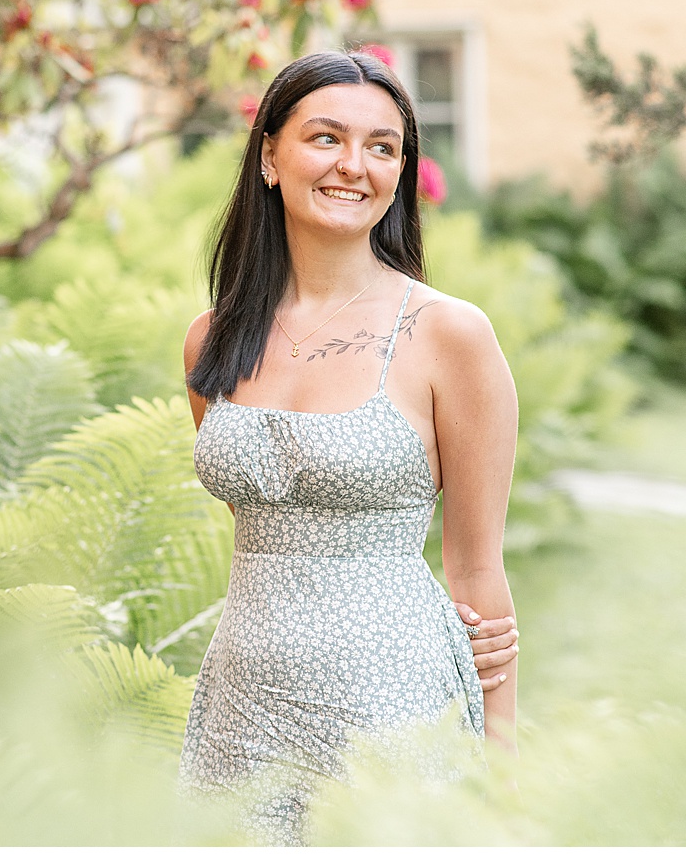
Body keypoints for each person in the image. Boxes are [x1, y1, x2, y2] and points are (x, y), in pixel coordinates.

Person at [177, 49, 520, 843]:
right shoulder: (212, 342)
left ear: (401, 171)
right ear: (270, 155)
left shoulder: (448, 335)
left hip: (391, 707)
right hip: (240, 713)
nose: (354, 166)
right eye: (325, 137)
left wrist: (502, 767)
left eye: (382, 147)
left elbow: (477, 570)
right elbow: (257, 519)